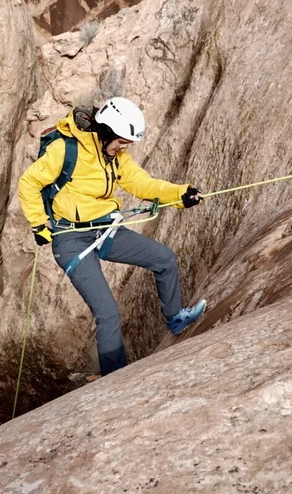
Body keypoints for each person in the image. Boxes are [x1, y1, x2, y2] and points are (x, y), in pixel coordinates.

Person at [17, 97, 207, 376]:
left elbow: (143, 184)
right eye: (121, 141)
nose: (123, 148)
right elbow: (29, 182)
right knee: (108, 313)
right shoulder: (65, 150)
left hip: (104, 229)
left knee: (164, 259)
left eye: (127, 144)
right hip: (71, 240)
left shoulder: (116, 157)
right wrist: (40, 224)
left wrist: (181, 194)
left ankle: (175, 318)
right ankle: (115, 379)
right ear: (105, 132)